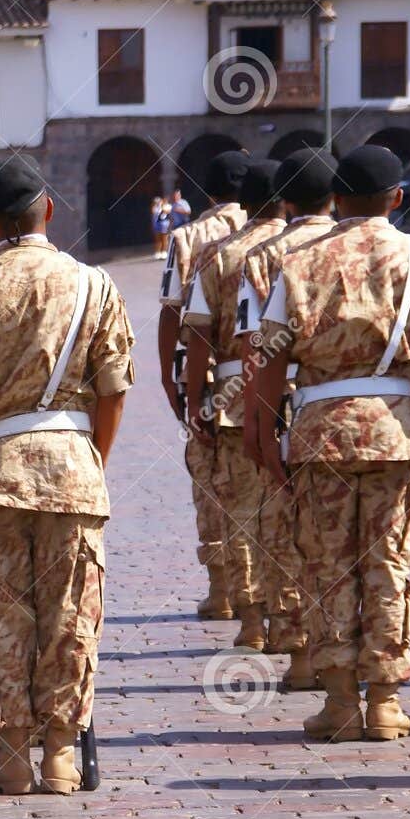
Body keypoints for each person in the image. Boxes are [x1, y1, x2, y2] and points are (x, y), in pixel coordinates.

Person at [0, 159, 133, 795]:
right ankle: (62, 754)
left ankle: (12, 754)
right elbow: (113, 386)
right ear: (49, 213)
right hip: (71, 460)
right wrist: (96, 456)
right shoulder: (92, 284)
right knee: (72, 611)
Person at [253, 145, 410, 742]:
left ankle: (338, 702)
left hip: (318, 429)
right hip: (394, 428)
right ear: (397, 198)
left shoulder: (298, 263)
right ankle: (383, 702)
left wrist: (262, 432)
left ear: (336, 198)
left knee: (327, 566)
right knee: (389, 563)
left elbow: (269, 355)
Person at [233, 148, 340, 691]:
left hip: (295, 415)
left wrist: (258, 427)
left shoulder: (261, 258)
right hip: (380, 417)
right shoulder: (375, 249)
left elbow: (259, 350)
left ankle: (302, 659)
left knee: (288, 536)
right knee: (372, 550)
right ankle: (375, 686)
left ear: (285, 198)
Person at [183, 159, 285, 653]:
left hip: (233, 394)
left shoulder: (217, 254)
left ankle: (252, 621)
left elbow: (196, 337)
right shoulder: (311, 248)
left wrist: (193, 396)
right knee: (296, 513)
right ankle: (297, 624)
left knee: (243, 513)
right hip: (301, 395)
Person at [159, 150, 248, 620]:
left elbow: (173, 310)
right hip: (267, 377)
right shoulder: (272, 230)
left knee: (212, 486)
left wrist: (168, 376)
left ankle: (224, 590)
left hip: (209, 375)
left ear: (207, 191)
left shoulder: (187, 237)